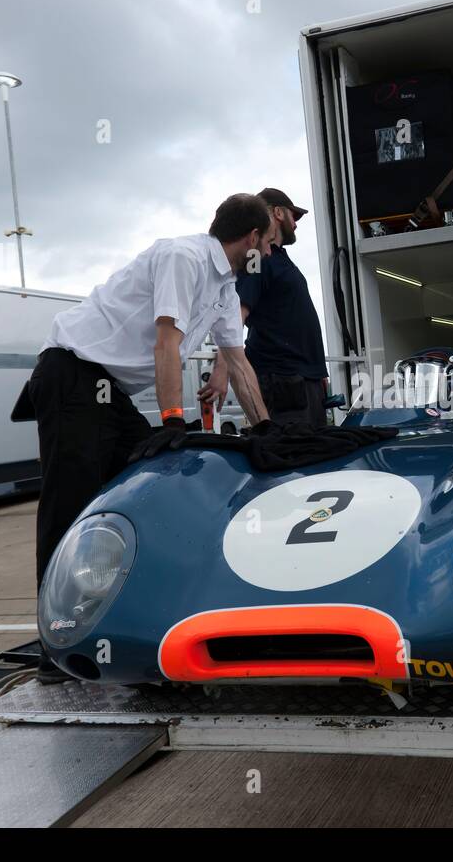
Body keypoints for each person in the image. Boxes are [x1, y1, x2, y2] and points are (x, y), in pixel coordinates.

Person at [28, 192, 273, 590]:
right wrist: (173, 420)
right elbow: (167, 343)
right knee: (69, 504)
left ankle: (116, 598)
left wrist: (266, 429)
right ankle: (55, 633)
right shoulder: (184, 257)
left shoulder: (227, 288)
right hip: (70, 371)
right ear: (251, 237)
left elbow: (238, 363)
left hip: (107, 389)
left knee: (148, 482)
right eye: (267, 245)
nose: (269, 254)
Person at [229, 188, 329, 427]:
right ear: (277, 213)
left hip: (304, 381)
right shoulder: (256, 257)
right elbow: (235, 315)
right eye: (294, 216)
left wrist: (317, 373)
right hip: (283, 381)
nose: (296, 224)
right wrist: (225, 369)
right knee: (295, 457)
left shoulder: (280, 258)